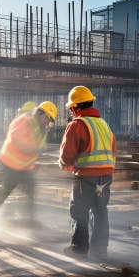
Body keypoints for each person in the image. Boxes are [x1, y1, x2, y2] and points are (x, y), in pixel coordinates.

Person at [59, 86, 116, 260]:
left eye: (71, 108)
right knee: (100, 211)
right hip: (106, 177)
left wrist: (65, 164)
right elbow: (113, 149)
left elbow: (67, 154)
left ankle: (79, 249)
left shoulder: (77, 124)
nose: (70, 111)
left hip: (85, 177)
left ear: (76, 107)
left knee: (79, 211)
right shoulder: (104, 124)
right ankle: (100, 251)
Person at [0, 101, 57, 231]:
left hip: (23, 168)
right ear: (41, 114)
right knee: (1, 194)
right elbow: (17, 142)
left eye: (50, 121)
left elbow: (37, 147)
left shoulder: (41, 129)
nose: (48, 123)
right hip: (8, 166)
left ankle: (28, 221)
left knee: (31, 189)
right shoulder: (24, 121)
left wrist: (39, 155)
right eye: (48, 119)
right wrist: (37, 149)